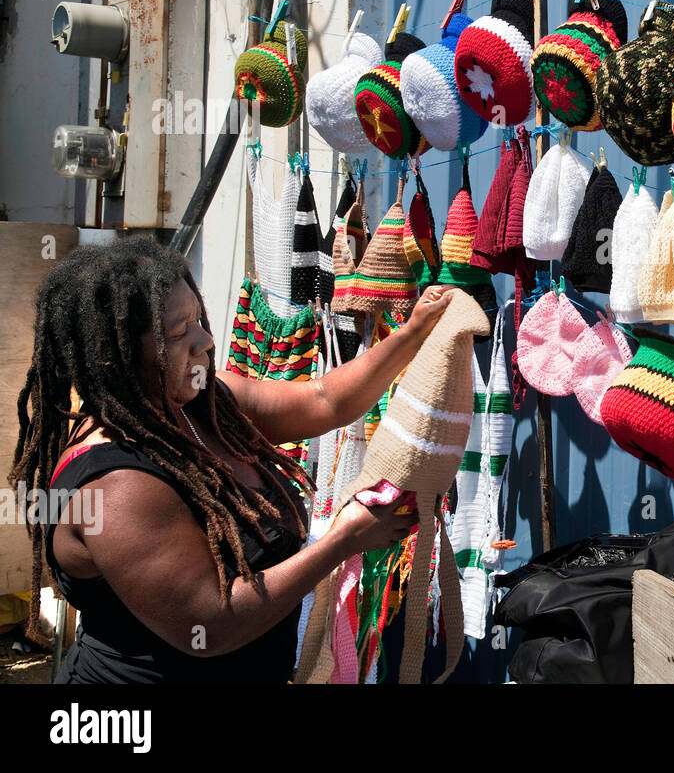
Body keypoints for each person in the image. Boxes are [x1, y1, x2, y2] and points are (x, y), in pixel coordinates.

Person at [8, 236, 454, 683]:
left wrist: (413, 333)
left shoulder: (202, 402)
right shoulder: (116, 485)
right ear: (118, 356)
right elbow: (212, 623)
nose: (204, 339)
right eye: (180, 332)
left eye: (198, 319)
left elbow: (325, 401)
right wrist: (343, 540)